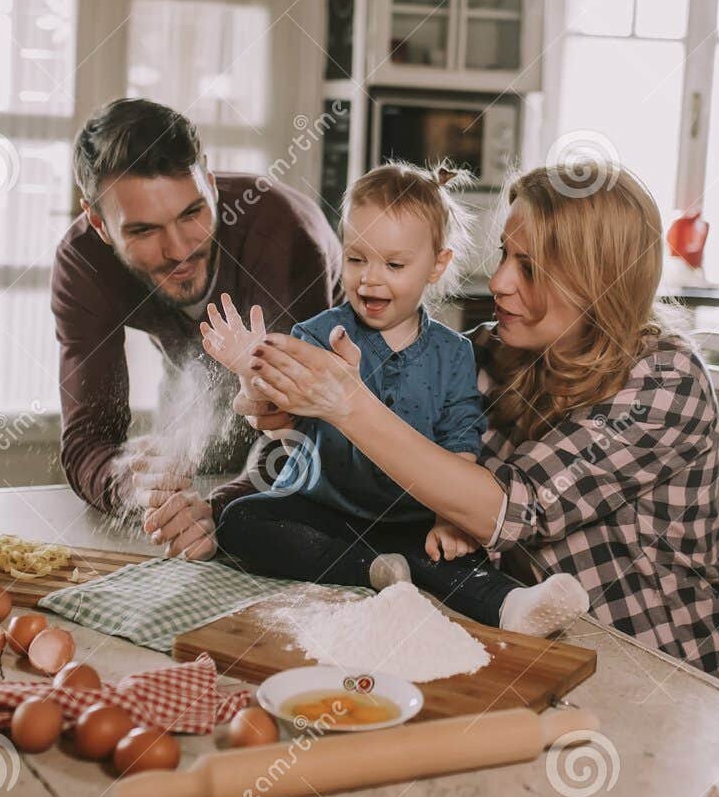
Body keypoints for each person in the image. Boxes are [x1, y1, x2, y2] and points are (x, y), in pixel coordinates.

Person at [237, 163, 719, 703]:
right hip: (555, 662)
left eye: (531, 267)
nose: (498, 282)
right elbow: (362, 457)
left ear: (600, 282)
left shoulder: (665, 379)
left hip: (678, 679)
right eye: (504, 254)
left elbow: (510, 511)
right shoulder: (492, 353)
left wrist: (347, 404)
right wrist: (248, 480)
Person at [203, 163, 590, 637]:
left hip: (408, 516)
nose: (371, 280)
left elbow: (461, 435)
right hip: (321, 509)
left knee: (454, 558)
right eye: (356, 259)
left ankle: (512, 605)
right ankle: (371, 569)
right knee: (241, 520)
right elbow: (276, 420)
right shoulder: (315, 334)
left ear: (438, 266)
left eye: (394, 265)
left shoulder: (454, 353)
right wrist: (252, 375)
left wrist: (448, 518)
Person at [51, 97, 341, 557]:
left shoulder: (284, 237)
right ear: (98, 224)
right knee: (171, 479)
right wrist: (131, 482)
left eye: (192, 213)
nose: (179, 250)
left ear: (208, 180)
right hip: (191, 375)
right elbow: (88, 439)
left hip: (324, 411)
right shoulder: (83, 262)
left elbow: (304, 433)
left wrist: (217, 508)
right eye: (143, 231)